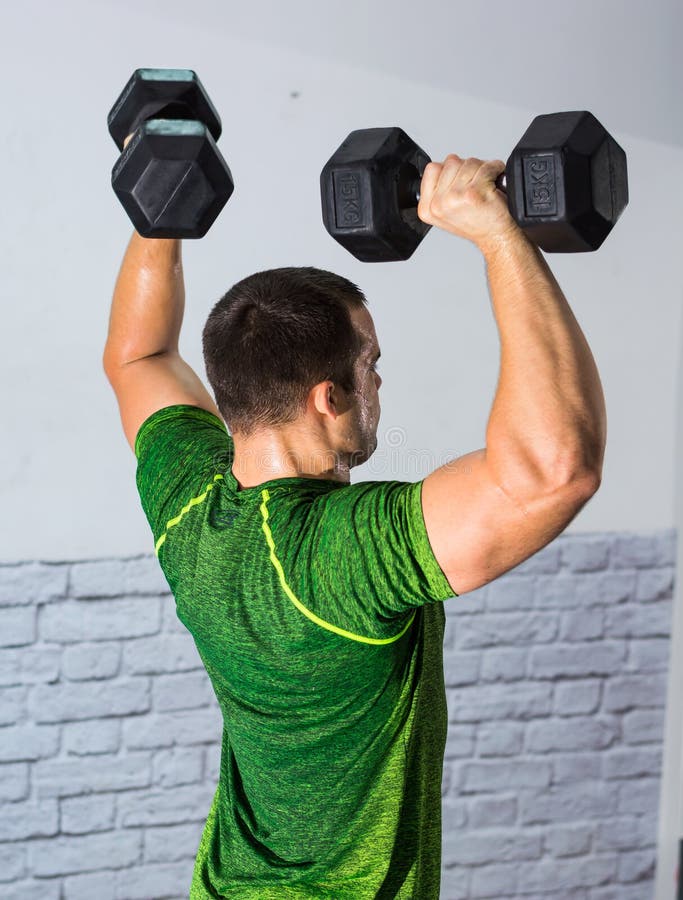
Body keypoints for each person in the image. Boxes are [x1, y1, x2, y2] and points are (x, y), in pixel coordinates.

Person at [103, 154, 605, 899]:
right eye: (370, 363)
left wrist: (160, 204)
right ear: (328, 398)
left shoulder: (186, 504)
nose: (379, 379)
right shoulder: (338, 557)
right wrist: (498, 237)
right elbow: (552, 469)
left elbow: (139, 356)